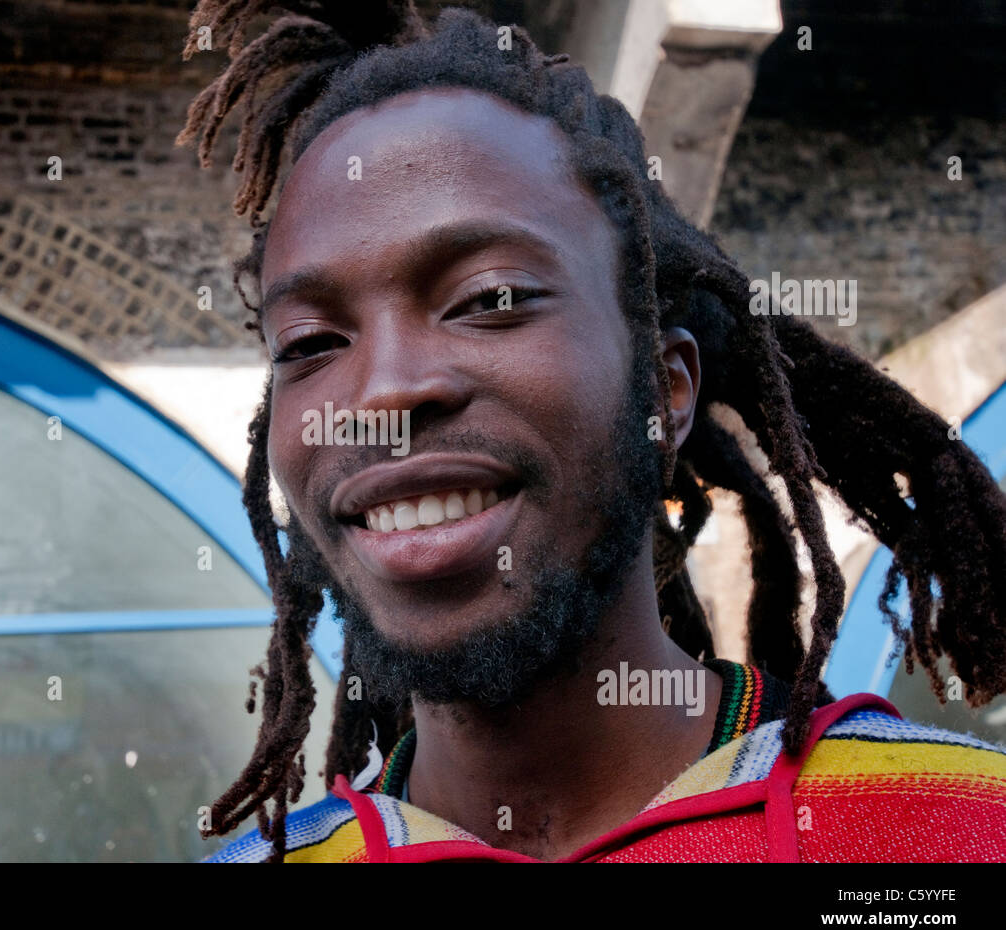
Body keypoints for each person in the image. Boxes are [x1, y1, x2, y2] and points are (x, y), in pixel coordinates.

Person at [174, 1, 1006, 862]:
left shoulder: (942, 836)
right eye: (309, 343)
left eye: (489, 298)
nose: (384, 390)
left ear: (666, 390)